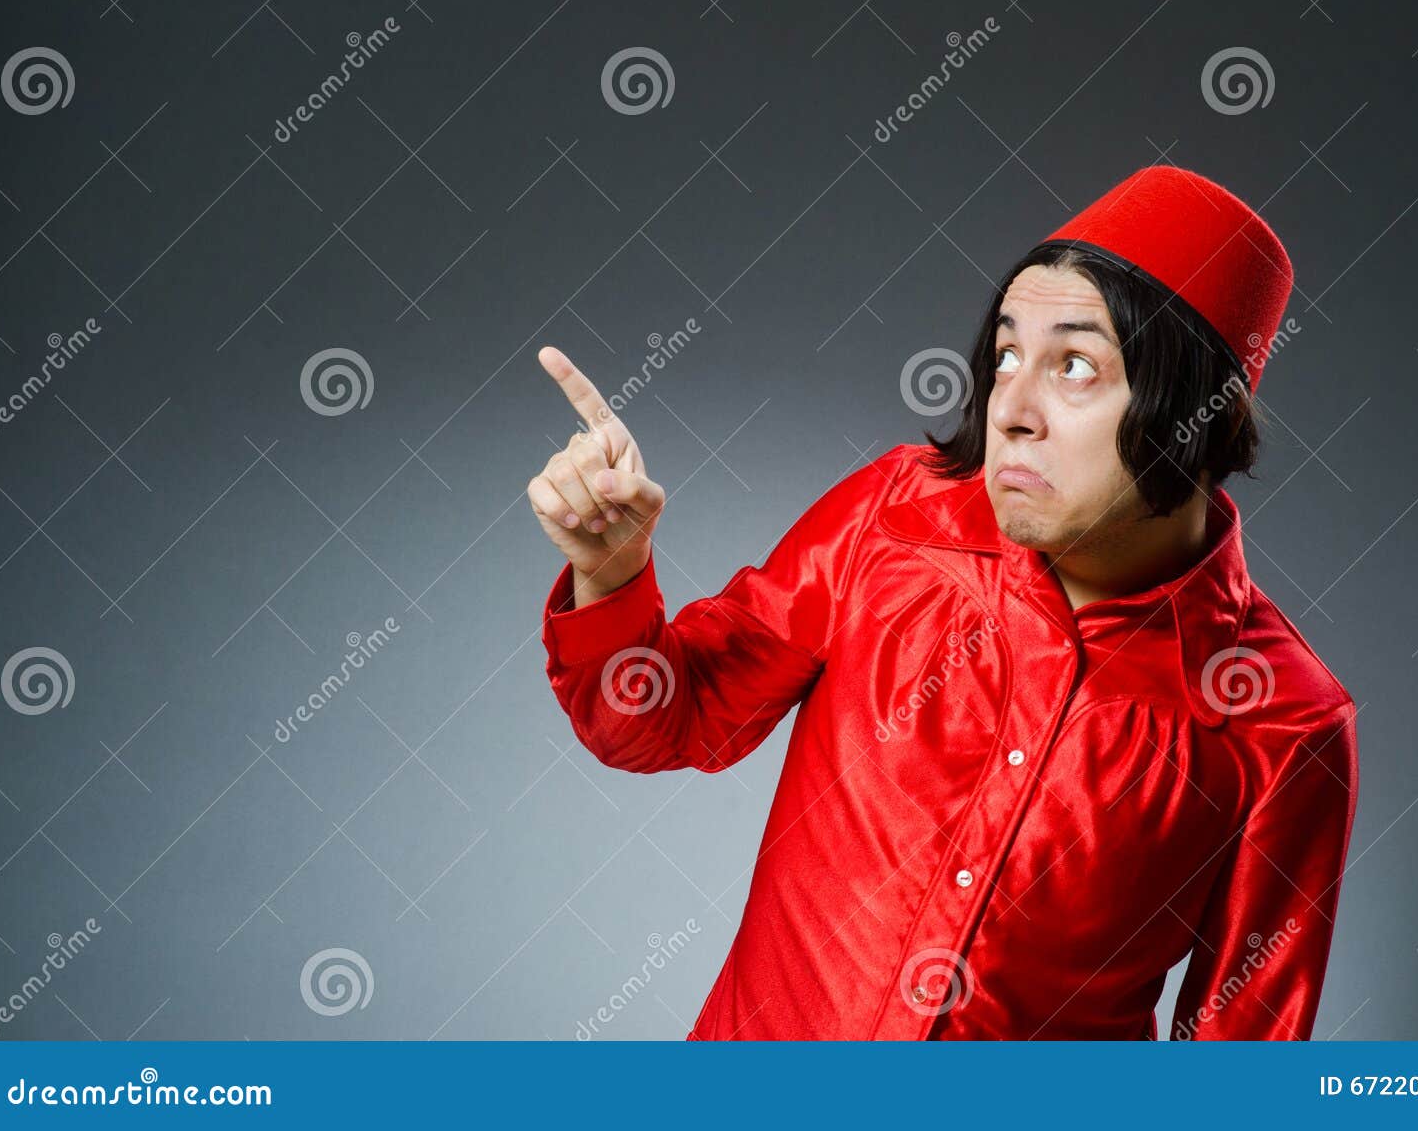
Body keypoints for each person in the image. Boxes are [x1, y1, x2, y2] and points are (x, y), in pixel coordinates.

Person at [528, 164, 1359, 1040]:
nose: (1012, 410)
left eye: (1076, 365)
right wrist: (611, 574)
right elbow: (668, 721)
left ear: (1201, 412)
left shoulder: (1287, 722)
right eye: (1006, 357)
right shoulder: (889, 519)